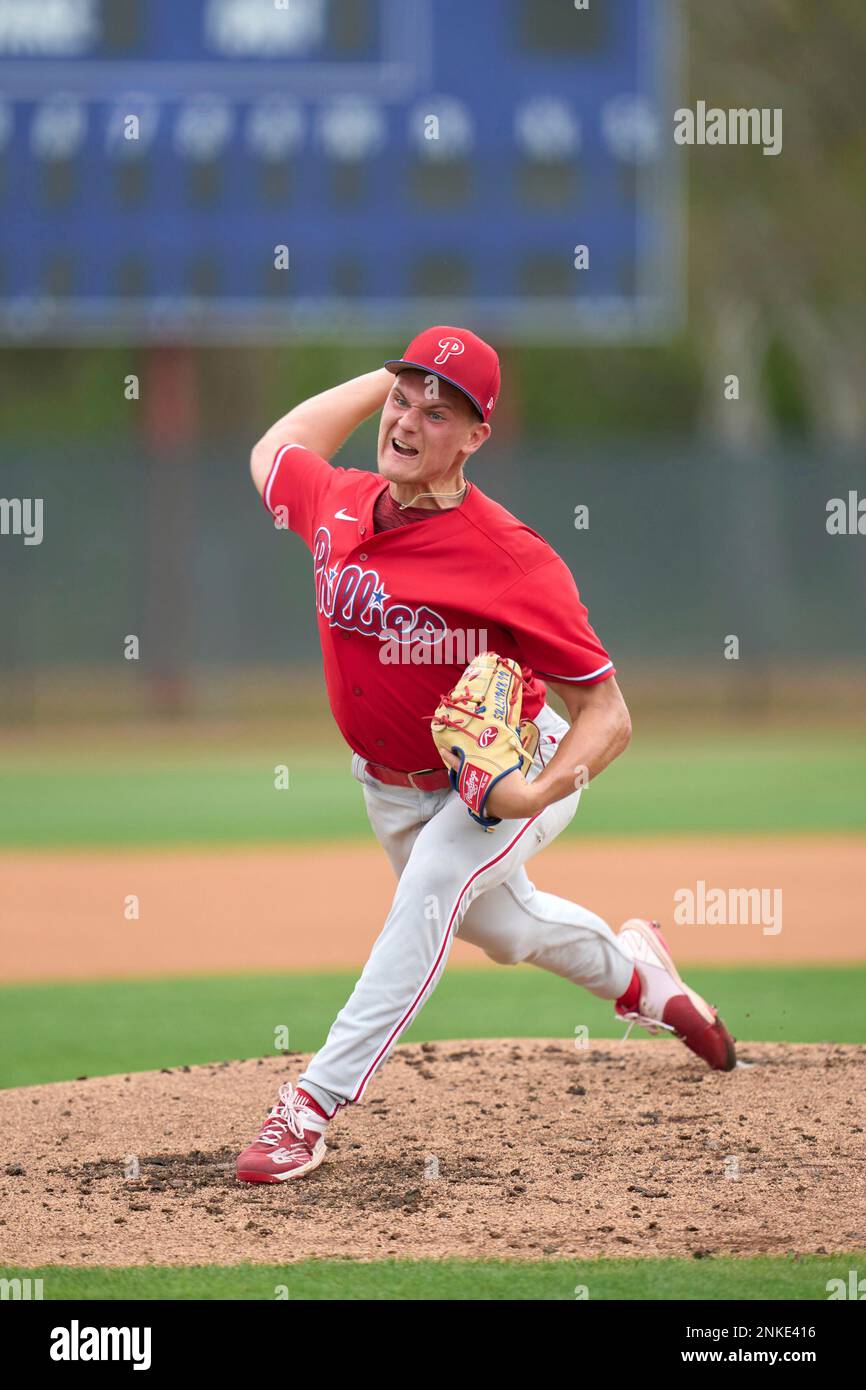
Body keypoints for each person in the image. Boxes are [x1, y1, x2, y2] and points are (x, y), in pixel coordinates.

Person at [236, 326, 735, 1184]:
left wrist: (534, 792)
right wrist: (387, 375)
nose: (408, 421)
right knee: (504, 930)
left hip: (501, 777)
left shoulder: (510, 558)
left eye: (439, 413)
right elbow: (276, 450)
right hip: (389, 788)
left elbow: (607, 714)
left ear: (475, 439)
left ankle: (309, 1107)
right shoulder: (340, 501)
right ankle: (644, 977)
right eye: (402, 401)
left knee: (435, 883)